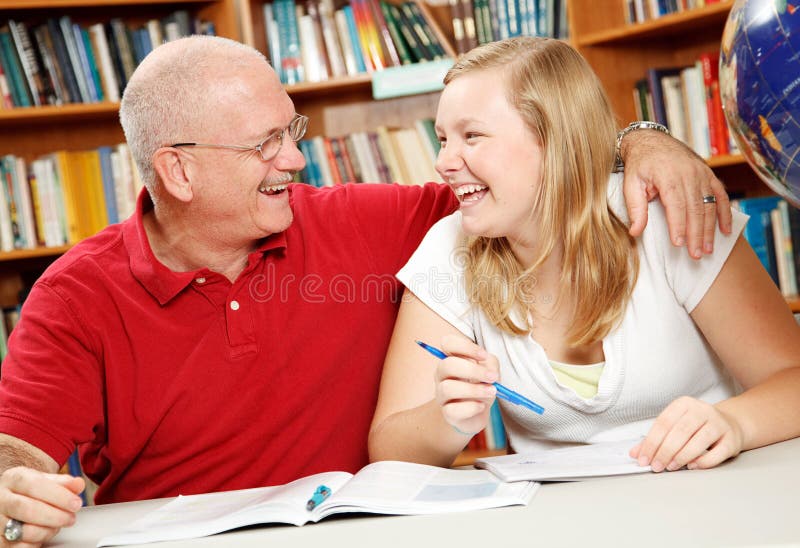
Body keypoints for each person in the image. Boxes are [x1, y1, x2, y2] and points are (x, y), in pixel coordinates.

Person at [0, 34, 728, 546]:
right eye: (265, 145)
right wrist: (9, 492)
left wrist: (642, 140)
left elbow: (532, 178)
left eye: (293, 129)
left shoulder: (368, 222)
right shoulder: (75, 297)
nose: (295, 157)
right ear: (178, 172)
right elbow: (16, 452)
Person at [368, 37, 800, 475]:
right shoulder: (449, 247)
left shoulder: (668, 218)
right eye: (443, 139)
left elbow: (793, 379)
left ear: (556, 140)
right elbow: (388, 448)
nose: (444, 162)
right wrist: (444, 418)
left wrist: (734, 423)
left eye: (472, 136)